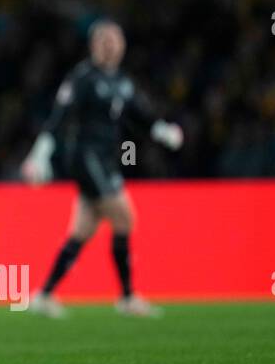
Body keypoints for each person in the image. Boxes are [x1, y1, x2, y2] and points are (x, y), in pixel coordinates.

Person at [21, 21, 184, 317]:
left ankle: (44, 295)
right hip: (86, 158)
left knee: (83, 230)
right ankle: (127, 297)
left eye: (114, 41)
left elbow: (141, 114)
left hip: (107, 159)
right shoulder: (83, 78)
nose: (110, 46)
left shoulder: (122, 81)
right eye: (104, 41)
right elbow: (59, 118)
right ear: (94, 46)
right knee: (125, 218)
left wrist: (163, 131)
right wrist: (39, 155)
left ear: (122, 45)